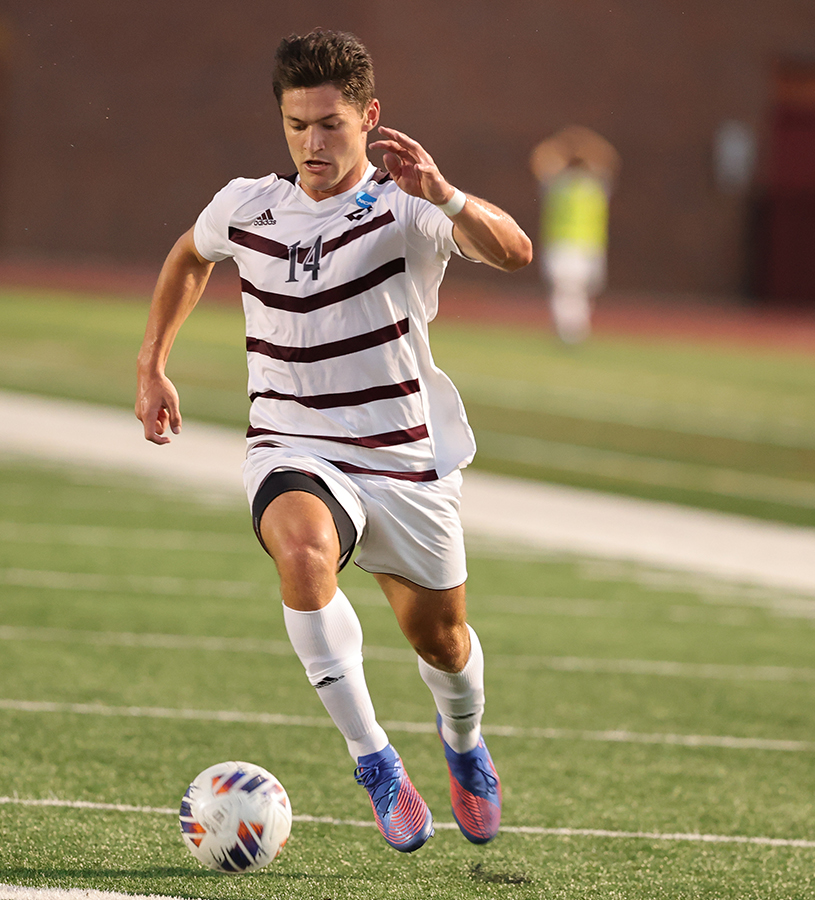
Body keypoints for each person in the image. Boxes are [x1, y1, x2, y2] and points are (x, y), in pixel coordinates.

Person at [134, 30, 531, 852]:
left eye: (330, 125)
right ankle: (376, 762)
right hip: (292, 448)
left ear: (369, 117)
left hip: (403, 461)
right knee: (304, 554)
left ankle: (463, 746)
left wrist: (449, 195)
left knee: (443, 642)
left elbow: (517, 251)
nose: (312, 144)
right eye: (296, 125)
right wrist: (152, 364)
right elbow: (187, 256)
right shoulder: (247, 204)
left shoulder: (407, 206)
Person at [530, 126, 619, 344]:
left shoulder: (563, 185)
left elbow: (540, 159)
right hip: (571, 246)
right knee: (568, 291)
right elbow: (610, 160)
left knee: (576, 291)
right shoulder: (591, 186)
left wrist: (567, 141)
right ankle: (571, 333)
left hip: (583, 247)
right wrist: (585, 142)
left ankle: (571, 331)